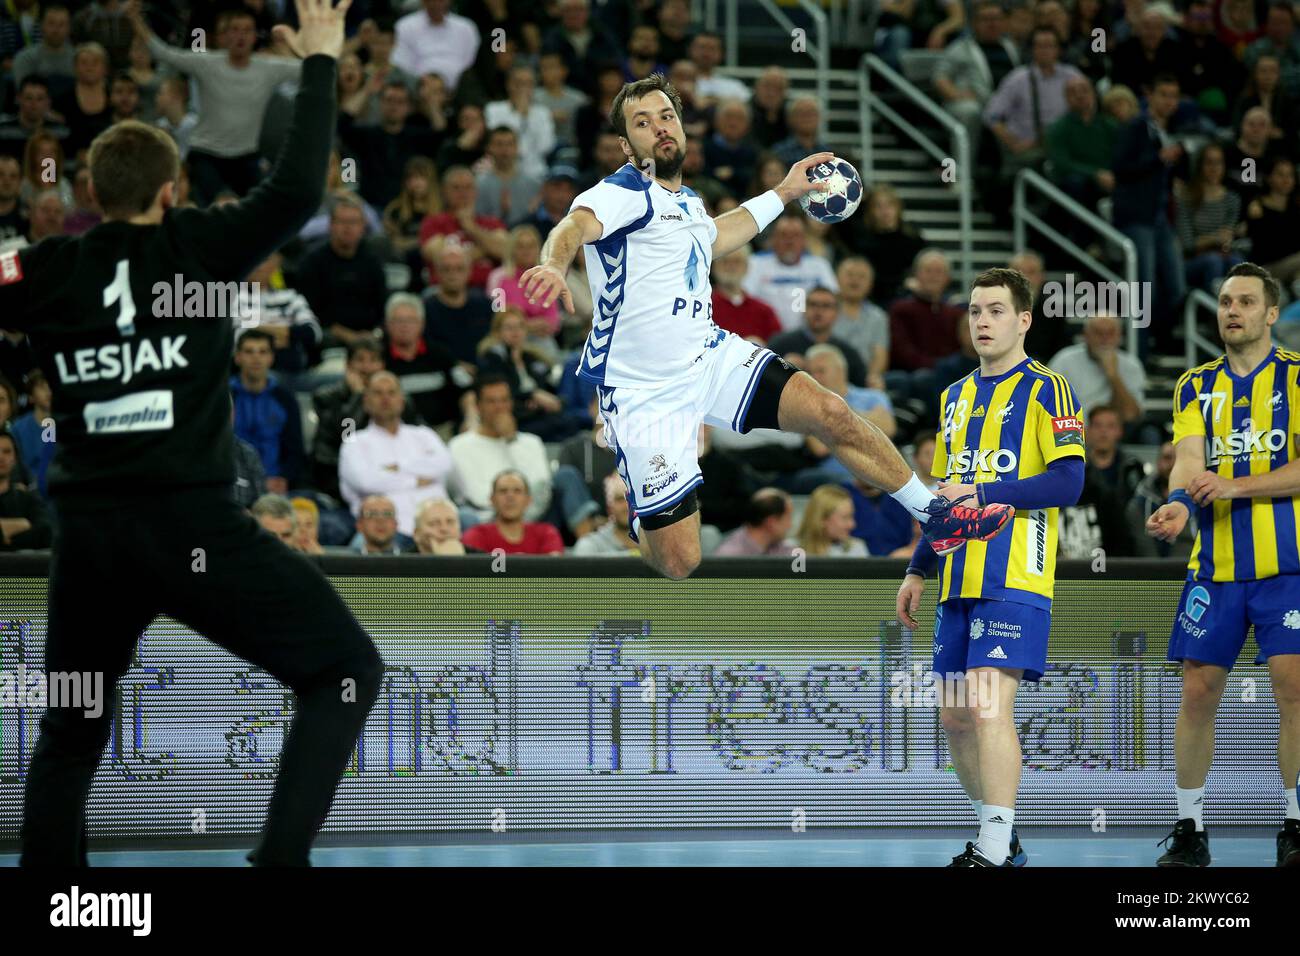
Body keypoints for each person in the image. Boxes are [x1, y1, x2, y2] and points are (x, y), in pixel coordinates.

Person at [0, 0, 382, 868]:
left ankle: (57, 911)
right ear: (172, 191)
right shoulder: (199, 246)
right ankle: (277, 864)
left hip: (88, 541)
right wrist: (319, 60)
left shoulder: (45, 268)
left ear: (91, 194)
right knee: (343, 668)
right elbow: (292, 189)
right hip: (193, 529)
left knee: (70, 729)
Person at [520, 72, 1012, 580]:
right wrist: (555, 264)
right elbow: (573, 226)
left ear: (683, 127)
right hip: (646, 392)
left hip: (708, 358)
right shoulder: (622, 191)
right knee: (680, 561)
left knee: (831, 411)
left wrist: (784, 192)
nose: (660, 129)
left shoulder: (686, 201)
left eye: (667, 117)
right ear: (627, 144)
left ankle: (934, 515)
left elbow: (713, 237)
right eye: (643, 123)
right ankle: (643, 516)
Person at [897, 267, 1086, 867]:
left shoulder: (1049, 387)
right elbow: (945, 496)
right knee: (955, 717)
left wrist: (986, 491)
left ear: (1024, 319)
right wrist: (919, 567)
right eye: (975, 310)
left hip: (1016, 573)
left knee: (986, 704)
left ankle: (995, 846)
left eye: (997, 310)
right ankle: (1000, 835)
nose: (982, 320)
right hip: (957, 576)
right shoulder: (953, 397)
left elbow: (1069, 479)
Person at [1146, 262, 1300, 867]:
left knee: (1293, 683)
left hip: (1288, 566)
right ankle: (1190, 830)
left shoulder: (1296, 378)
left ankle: (1295, 823)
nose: (1231, 310)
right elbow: (1188, 460)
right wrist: (1180, 505)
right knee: (1197, 691)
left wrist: (1237, 487)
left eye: (1245, 301)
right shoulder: (1194, 385)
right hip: (1214, 569)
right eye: (1224, 301)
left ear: (1270, 313)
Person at [129, 3, 303, 203]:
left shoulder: (268, 67)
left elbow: (315, 68)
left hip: (247, 157)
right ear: (222, 36)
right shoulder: (205, 62)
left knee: (265, 208)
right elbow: (164, 53)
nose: (240, 36)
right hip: (206, 155)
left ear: (255, 36)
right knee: (219, 206)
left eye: (247, 31)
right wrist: (136, 21)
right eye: (234, 30)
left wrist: (307, 43)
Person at [338, 371, 456, 538]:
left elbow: (444, 464)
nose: (385, 398)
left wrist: (397, 467)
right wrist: (416, 480)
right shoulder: (354, 442)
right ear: (366, 401)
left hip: (439, 525)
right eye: (378, 393)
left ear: (402, 400)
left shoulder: (423, 434)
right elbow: (366, 482)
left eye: (391, 393)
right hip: (388, 531)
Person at [1048, 314, 1146, 427]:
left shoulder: (1131, 365)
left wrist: (1113, 376)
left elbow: (1130, 415)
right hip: (1070, 430)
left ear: (1119, 336)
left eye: (1110, 333)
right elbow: (1048, 406)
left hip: (1112, 435)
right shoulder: (1064, 360)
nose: (1104, 339)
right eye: (1098, 333)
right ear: (1085, 335)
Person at [462, 469, 564, 555]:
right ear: (492, 499)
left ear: (528, 500)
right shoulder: (476, 535)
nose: (510, 497)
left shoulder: (546, 534)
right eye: (503, 491)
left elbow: (553, 572)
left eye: (517, 491)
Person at [0, 431, 52, 550]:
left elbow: (45, 532)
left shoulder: (28, 500)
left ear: (15, 458)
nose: (1, 457)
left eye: (7, 452)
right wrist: (23, 524)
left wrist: (6, 541)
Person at [713, 487, 795, 556]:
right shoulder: (730, 555)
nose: (790, 525)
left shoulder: (781, 547)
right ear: (771, 522)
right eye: (788, 518)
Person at [572, 473, 639, 555]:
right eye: (620, 499)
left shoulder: (655, 542)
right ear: (609, 508)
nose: (627, 506)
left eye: (633, 498)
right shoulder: (591, 547)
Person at [796, 483, 867, 557]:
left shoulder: (856, 549)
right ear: (821, 519)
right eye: (845, 518)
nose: (852, 525)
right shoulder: (792, 551)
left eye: (851, 516)